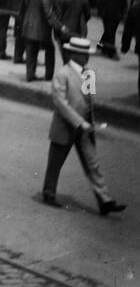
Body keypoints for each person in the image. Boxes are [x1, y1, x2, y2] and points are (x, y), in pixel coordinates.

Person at [41, 38, 126, 216]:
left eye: (88, 54)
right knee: (55, 163)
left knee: (92, 163)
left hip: (85, 128)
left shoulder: (89, 74)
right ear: (74, 54)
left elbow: (89, 100)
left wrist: (90, 121)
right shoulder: (62, 74)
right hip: (65, 126)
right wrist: (79, 122)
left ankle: (105, 200)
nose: (87, 57)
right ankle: (49, 193)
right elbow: (60, 103)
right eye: (84, 54)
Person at [18, 0, 66, 82]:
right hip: (41, 29)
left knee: (31, 51)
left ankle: (30, 75)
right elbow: (49, 15)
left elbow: (21, 11)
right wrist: (60, 27)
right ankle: (48, 75)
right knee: (49, 49)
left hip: (27, 27)